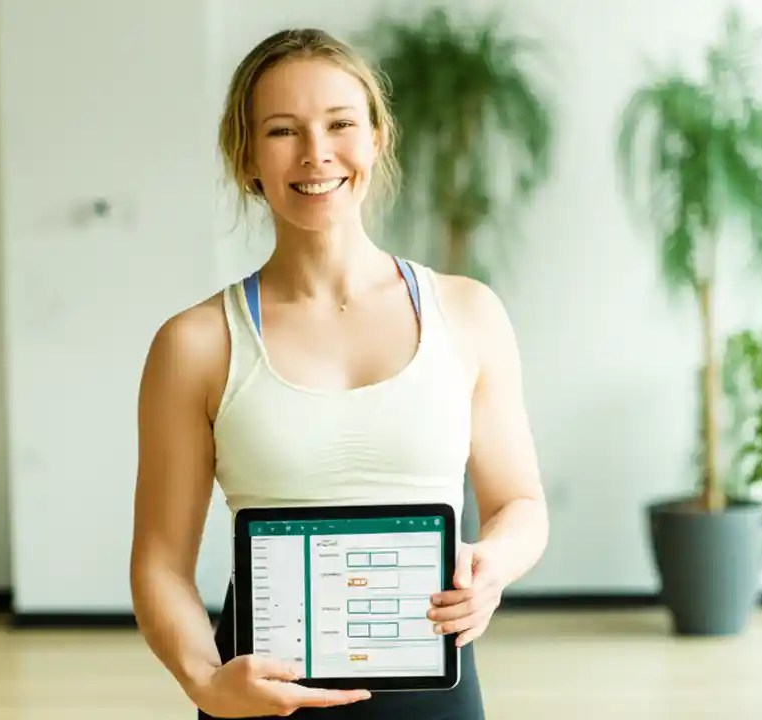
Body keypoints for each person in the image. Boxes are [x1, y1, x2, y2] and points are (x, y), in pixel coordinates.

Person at [129, 27, 548, 719]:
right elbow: (159, 564)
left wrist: (493, 566)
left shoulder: (469, 314)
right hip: (258, 699)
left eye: (341, 123)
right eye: (283, 131)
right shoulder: (195, 344)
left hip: (435, 694)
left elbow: (521, 507)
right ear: (246, 159)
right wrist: (205, 681)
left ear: (378, 136)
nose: (316, 153)